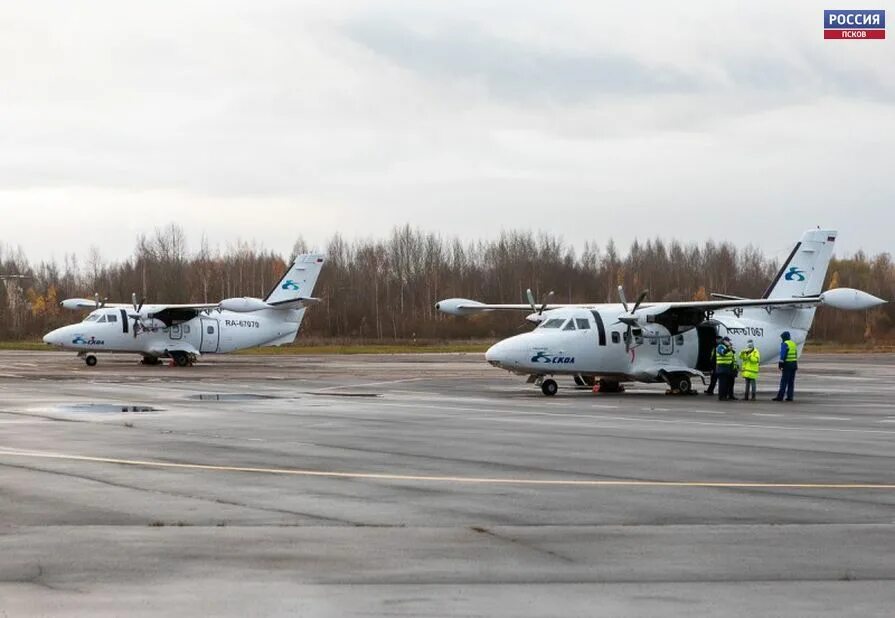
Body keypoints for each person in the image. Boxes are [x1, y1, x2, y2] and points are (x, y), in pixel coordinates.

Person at [773, 331, 798, 402]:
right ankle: (790, 397)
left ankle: (780, 396)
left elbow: (783, 355)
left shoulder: (785, 344)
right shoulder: (793, 344)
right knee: (791, 381)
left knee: (784, 381)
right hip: (794, 365)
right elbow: (795, 355)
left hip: (787, 365)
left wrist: (780, 364)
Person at [715, 337, 736, 401]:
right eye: (728, 341)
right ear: (724, 341)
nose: (729, 342)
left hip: (728, 368)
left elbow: (732, 356)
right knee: (722, 384)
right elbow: (722, 353)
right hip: (722, 368)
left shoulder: (728, 347)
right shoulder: (720, 346)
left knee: (729, 383)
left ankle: (729, 395)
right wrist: (728, 349)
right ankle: (722, 396)